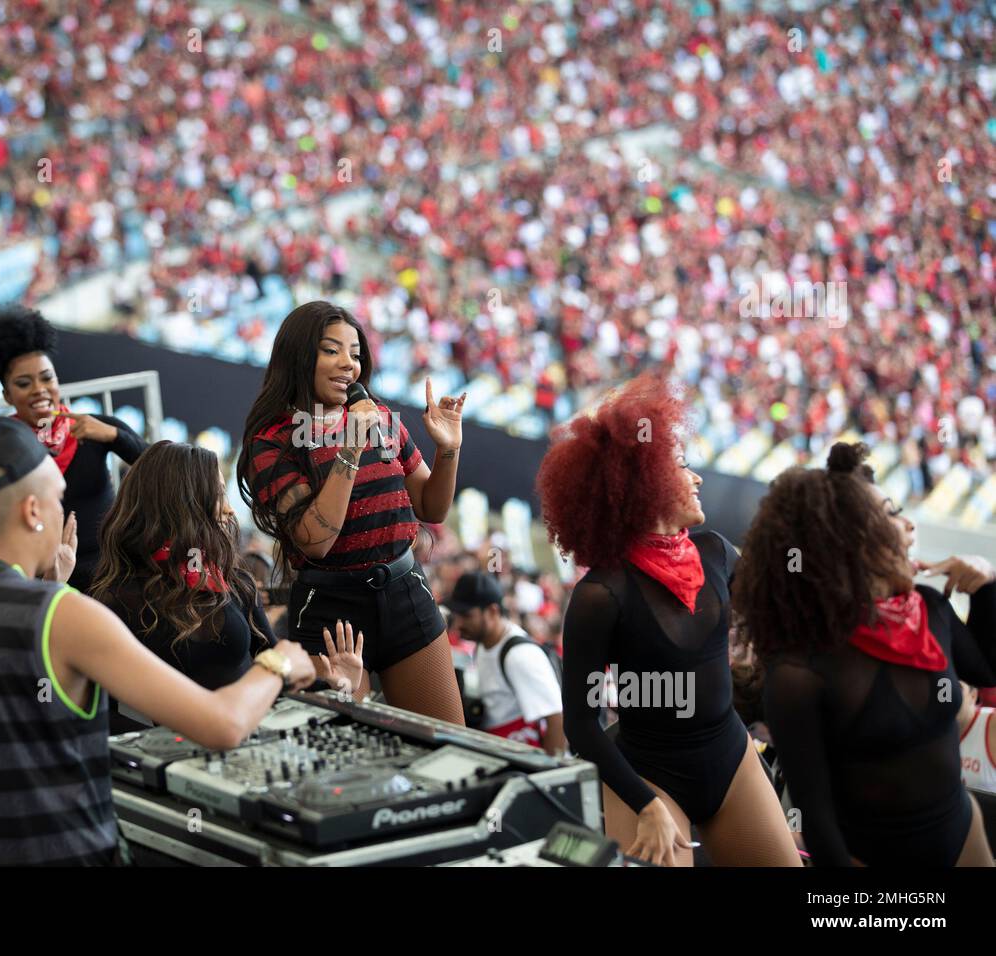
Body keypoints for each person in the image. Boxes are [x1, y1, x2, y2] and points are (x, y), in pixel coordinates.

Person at [0, 417, 317, 866]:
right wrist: (278, 662)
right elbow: (222, 724)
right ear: (32, 511)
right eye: (58, 499)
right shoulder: (64, 616)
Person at [538, 373, 799, 867]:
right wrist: (645, 804)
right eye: (683, 466)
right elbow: (582, 725)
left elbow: (784, 613)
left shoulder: (717, 553)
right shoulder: (600, 595)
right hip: (647, 777)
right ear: (647, 486)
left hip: (731, 758)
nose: (697, 477)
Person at [732, 441, 996, 867]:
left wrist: (986, 586)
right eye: (891, 513)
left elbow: (987, 668)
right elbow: (815, 818)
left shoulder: (929, 608)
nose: (910, 525)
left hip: (966, 837)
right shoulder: (800, 671)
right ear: (850, 542)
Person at [237, 300, 466, 724]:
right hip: (331, 610)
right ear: (299, 356)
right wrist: (351, 447)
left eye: (356, 354)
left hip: (406, 594)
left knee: (449, 743)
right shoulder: (272, 442)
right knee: (349, 760)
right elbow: (316, 540)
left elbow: (432, 506)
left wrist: (448, 449)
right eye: (332, 351)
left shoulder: (381, 417)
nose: (348, 365)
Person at [91, 440, 365, 696]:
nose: (230, 510)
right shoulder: (119, 597)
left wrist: (335, 686)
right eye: (218, 495)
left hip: (248, 733)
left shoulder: (234, 580)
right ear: (186, 505)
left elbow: (274, 671)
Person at [0, 305, 147, 592]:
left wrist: (114, 436)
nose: (39, 389)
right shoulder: (0, 445)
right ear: (7, 395)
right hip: (40, 580)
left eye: (47, 378)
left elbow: (163, 466)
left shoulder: (96, 427)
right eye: (24, 383)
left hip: (111, 573)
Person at [447, 571, 564, 753]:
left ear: (492, 611)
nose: (458, 624)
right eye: (457, 615)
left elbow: (556, 719)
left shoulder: (520, 654)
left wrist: (552, 773)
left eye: (466, 615)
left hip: (528, 758)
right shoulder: (483, 645)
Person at [958, 682, 996, 795]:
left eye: (957, 689)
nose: (949, 699)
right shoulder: (926, 726)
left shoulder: (992, 725)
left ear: (973, 696)